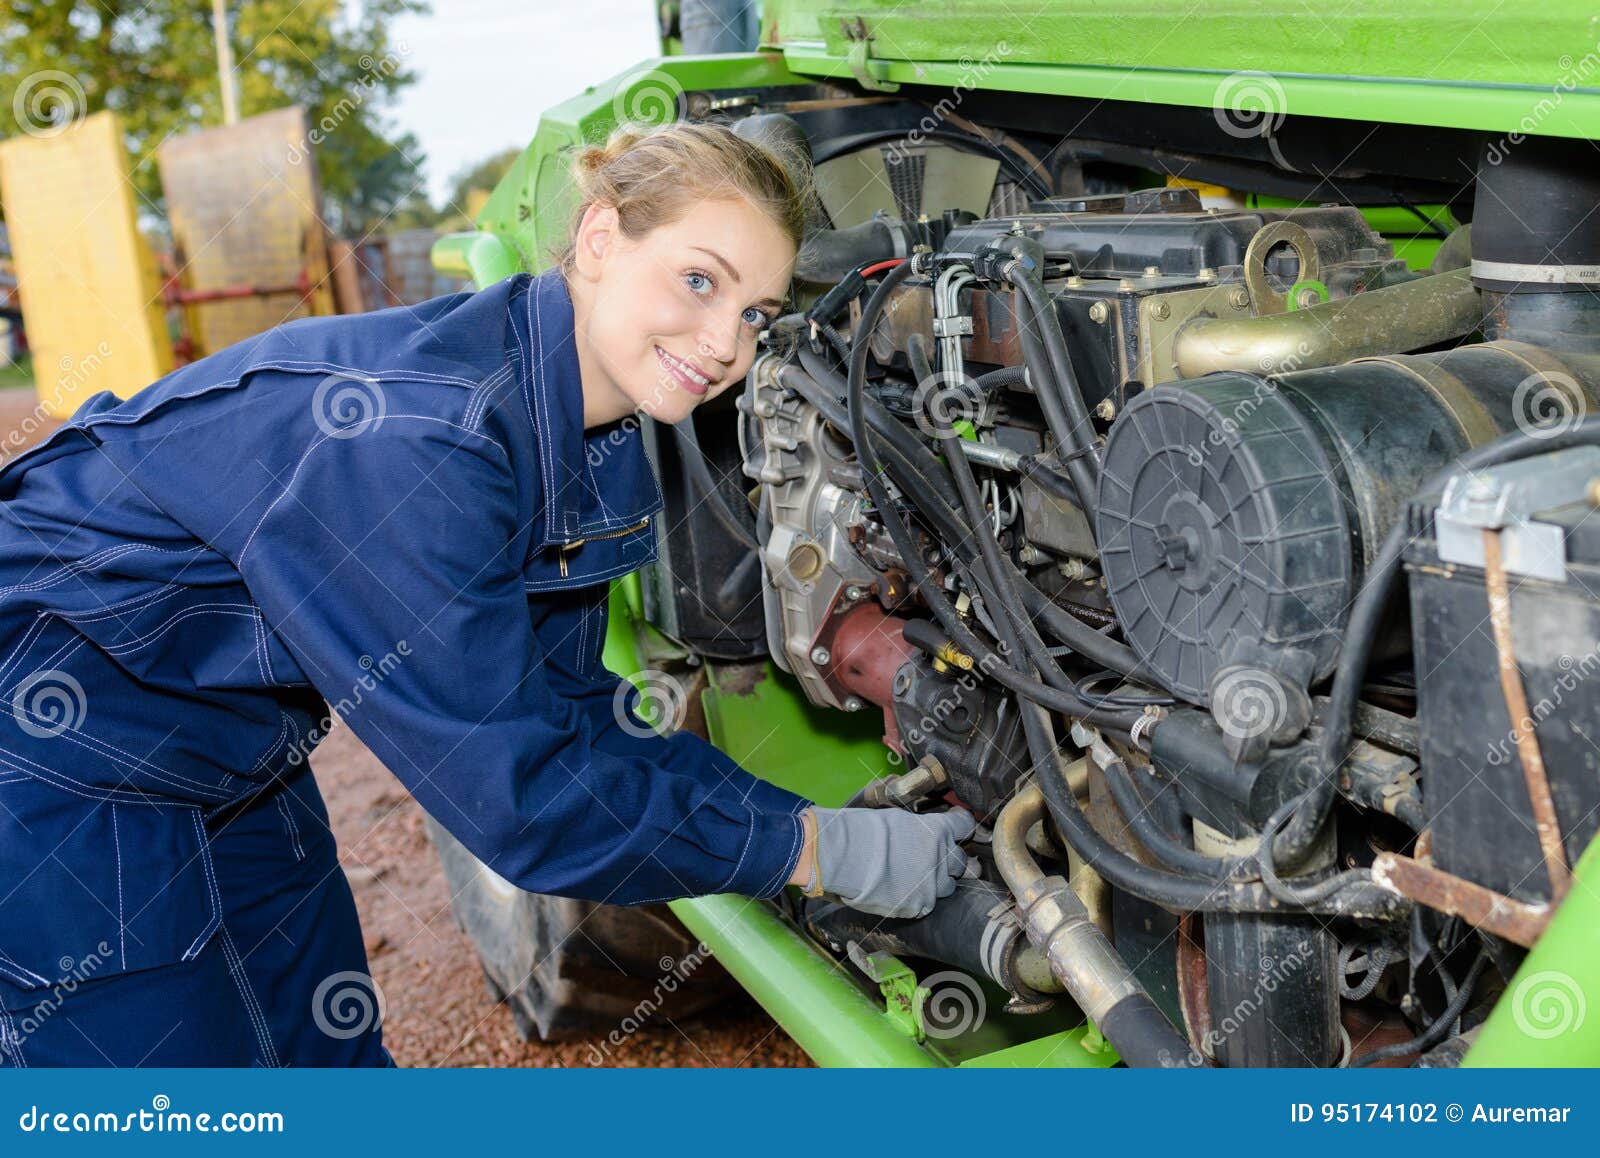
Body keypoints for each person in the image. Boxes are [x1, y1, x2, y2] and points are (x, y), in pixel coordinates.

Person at [0, 121, 974, 1067]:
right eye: (697, 279)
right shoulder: (420, 440)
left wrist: (832, 832)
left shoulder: (599, 444)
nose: (726, 342)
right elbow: (524, 802)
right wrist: (822, 852)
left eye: (756, 313)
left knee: (322, 1056)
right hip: (52, 748)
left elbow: (578, 728)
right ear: (598, 237)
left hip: (221, 744)